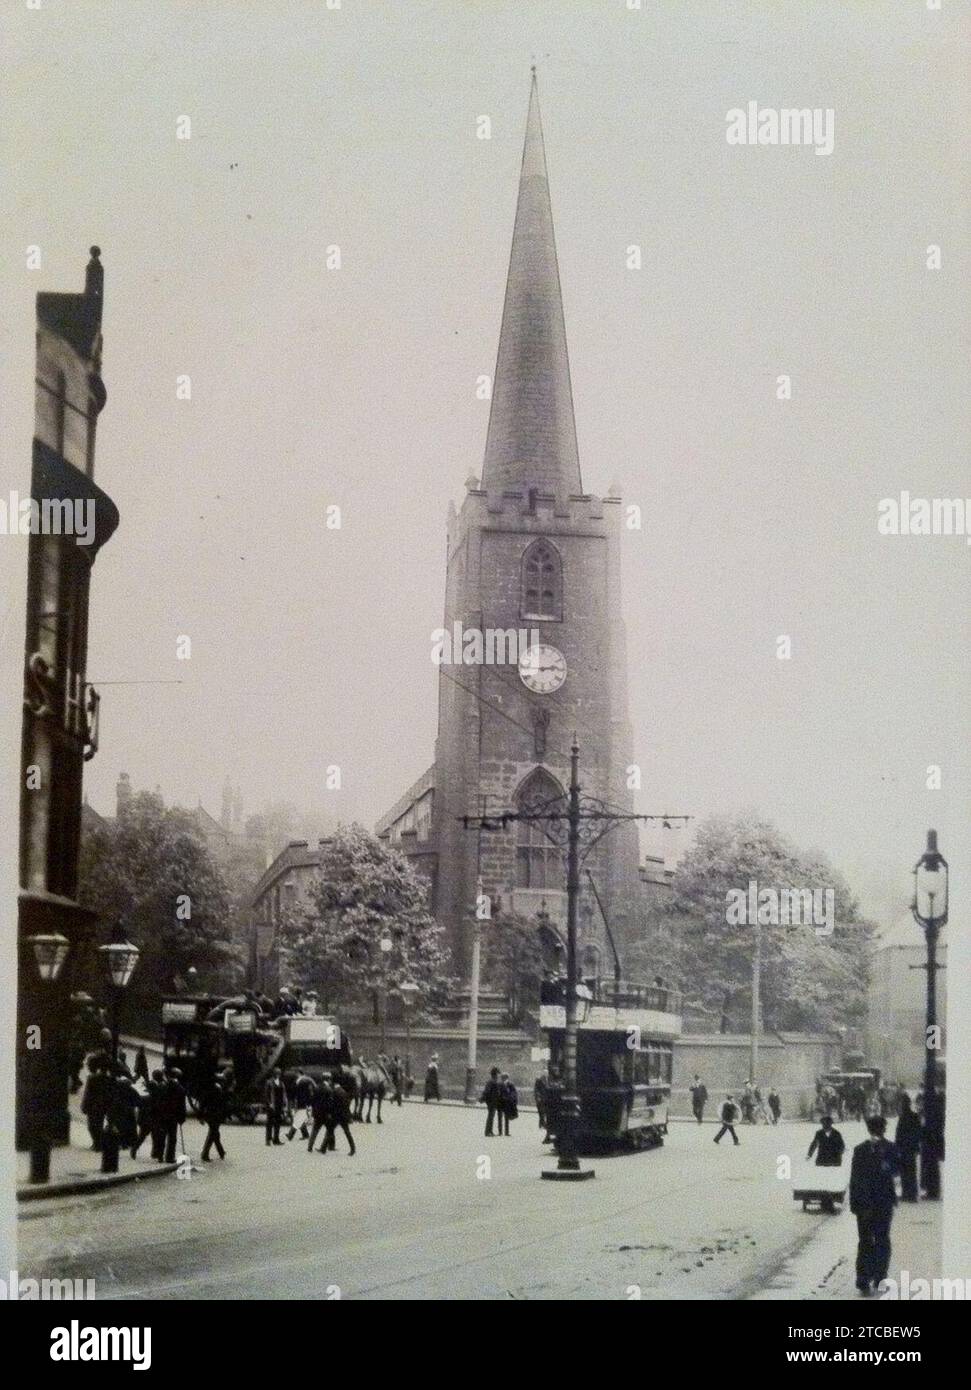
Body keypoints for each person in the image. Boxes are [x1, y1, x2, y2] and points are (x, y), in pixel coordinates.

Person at [849, 1115, 899, 1295]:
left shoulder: (884, 1149)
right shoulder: (863, 1150)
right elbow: (855, 1179)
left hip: (874, 1204)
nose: (877, 1132)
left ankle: (870, 1279)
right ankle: (872, 1278)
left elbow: (854, 1180)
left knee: (869, 1241)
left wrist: (855, 1204)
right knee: (878, 1240)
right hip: (872, 1204)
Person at [807, 1115, 846, 1212]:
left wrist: (840, 1152)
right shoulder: (819, 1133)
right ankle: (824, 1202)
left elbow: (842, 1145)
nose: (825, 1126)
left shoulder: (837, 1134)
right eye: (823, 1124)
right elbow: (814, 1144)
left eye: (827, 1124)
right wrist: (809, 1154)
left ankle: (830, 1202)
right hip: (822, 1161)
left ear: (830, 1124)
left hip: (834, 1161)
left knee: (831, 1182)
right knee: (823, 1182)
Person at [131, 1069, 165, 1159]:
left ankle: (134, 1149)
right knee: (157, 1137)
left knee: (142, 1137)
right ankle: (157, 1155)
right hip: (153, 1120)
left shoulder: (145, 1096)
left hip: (144, 1121)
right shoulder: (156, 1097)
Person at [80, 1056, 111, 1151]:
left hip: (93, 1106)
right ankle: (98, 1143)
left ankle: (97, 1143)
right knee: (98, 1124)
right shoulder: (108, 1078)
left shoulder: (92, 1078)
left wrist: (84, 1105)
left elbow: (88, 1094)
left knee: (92, 1126)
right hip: (103, 1105)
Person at [894, 1093, 921, 1202]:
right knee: (911, 1171)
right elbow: (918, 1133)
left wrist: (896, 1148)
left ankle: (907, 1194)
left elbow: (899, 1135)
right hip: (911, 1148)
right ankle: (912, 1194)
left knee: (905, 1171)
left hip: (903, 1148)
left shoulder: (903, 1118)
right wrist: (916, 1147)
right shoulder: (914, 1116)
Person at [324, 1074, 356, 1156]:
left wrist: (330, 1113)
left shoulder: (334, 1092)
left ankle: (323, 1147)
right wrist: (349, 1116)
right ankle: (353, 1149)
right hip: (344, 1116)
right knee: (347, 1132)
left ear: (333, 1083)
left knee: (330, 1130)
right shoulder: (343, 1091)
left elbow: (332, 1104)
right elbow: (347, 1104)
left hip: (336, 1115)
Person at [161, 1069, 188, 1163]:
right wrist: (182, 1118)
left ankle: (160, 1155)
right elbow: (182, 1106)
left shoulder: (164, 1085)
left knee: (162, 1135)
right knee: (172, 1138)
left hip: (163, 1114)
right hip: (173, 1116)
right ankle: (169, 1157)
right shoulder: (180, 1089)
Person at [200, 1079, 228, 1161]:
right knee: (213, 1134)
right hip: (215, 1115)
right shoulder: (218, 1089)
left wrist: (200, 1116)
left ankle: (221, 1151)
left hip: (209, 1115)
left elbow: (202, 1103)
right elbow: (222, 1104)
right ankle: (205, 1154)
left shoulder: (207, 1089)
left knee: (215, 1133)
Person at [264, 1067, 287, 1145]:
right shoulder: (269, 1082)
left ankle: (276, 1139)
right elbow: (266, 1095)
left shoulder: (281, 1082)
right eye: (277, 1073)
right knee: (269, 1122)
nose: (278, 1075)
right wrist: (270, 1103)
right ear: (274, 1074)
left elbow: (283, 1093)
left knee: (278, 1122)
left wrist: (284, 1103)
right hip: (271, 1105)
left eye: (279, 1073)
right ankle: (268, 1140)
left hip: (279, 1104)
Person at [481, 1067, 502, 1136]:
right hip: (491, 1101)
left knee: (491, 1116)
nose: (498, 1076)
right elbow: (487, 1091)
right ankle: (488, 1132)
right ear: (495, 1074)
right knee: (490, 1116)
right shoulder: (492, 1082)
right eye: (497, 1074)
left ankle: (490, 1131)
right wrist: (484, 1098)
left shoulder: (492, 1081)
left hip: (493, 1101)